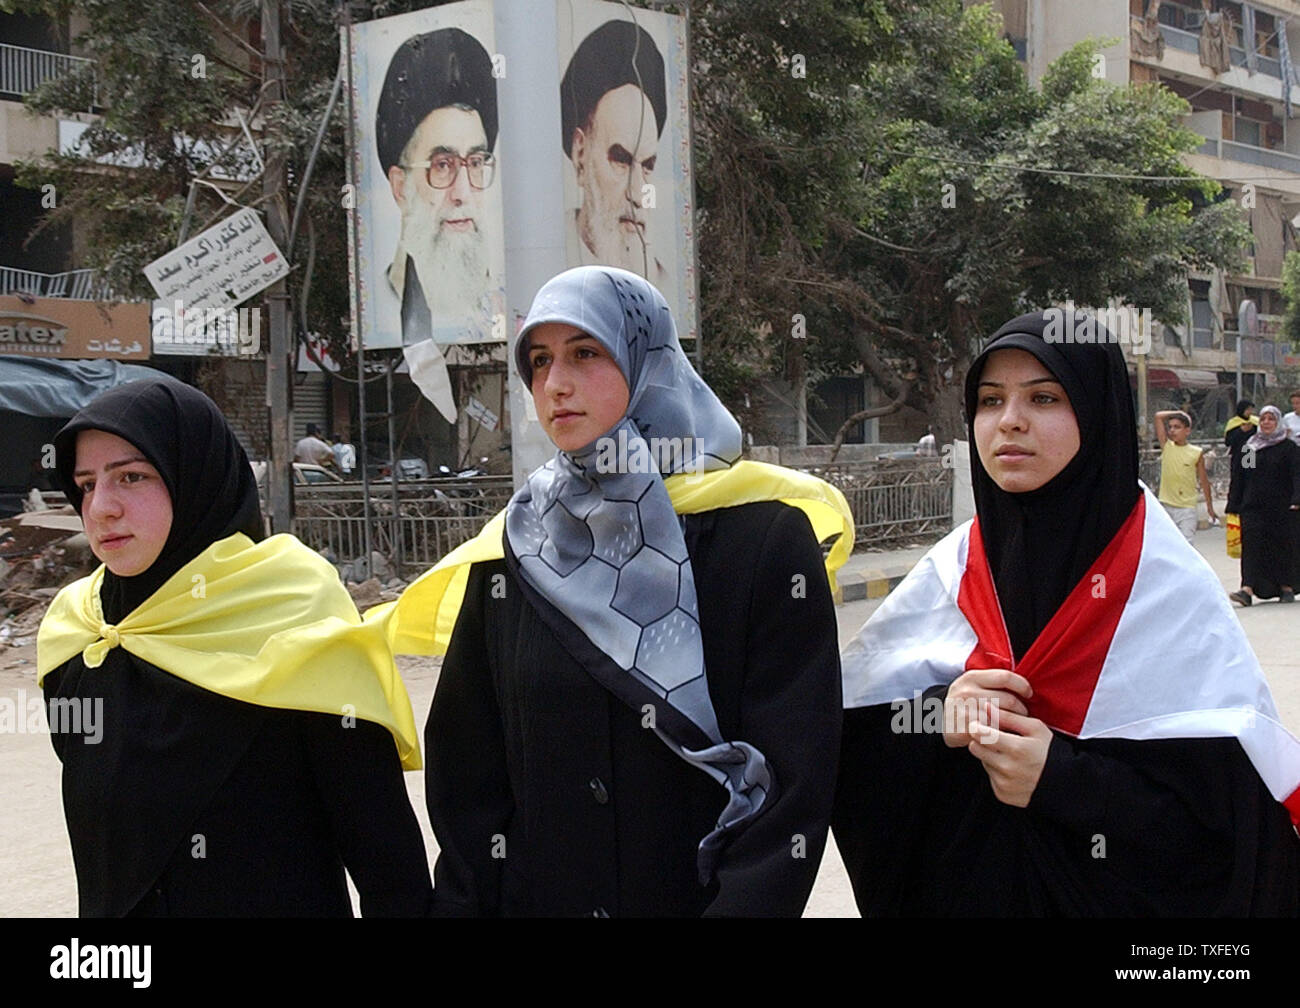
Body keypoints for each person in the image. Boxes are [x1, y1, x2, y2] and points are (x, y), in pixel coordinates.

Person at [370, 266, 854, 916]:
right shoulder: (517, 550)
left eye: (585, 353)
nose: (555, 385)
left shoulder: (759, 539)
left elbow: (792, 783)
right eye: (539, 362)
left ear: (644, 358)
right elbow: (469, 787)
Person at [833, 310, 1300, 916]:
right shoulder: (952, 574)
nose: (1010, 422)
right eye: (990, 400)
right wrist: (937, 717)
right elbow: (848, 749)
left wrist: (1063, 780)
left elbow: (1231, 833)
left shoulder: (1162, 587)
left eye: (1044, 397)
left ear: (1097, 411)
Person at [37, 376, 432, 916]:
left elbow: (388, 865)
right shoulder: (80, 637)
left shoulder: (297, 622)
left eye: (131, 476)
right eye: (85, 485)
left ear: (197, 480)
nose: (101, 507)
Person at [377, 27, 501, 342]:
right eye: (442, 165)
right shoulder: (383, 302)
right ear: (400, 186)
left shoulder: (504, 299)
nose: (462, 194)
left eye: (474, 163)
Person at [560, 20, 669, 287]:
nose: (637, 193)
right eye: (621, 160)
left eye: (647, 166)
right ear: (580, 154)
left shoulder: (664, 283)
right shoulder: (548, 256)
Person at [1227, 404, 1300, 606]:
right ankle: (1247, 589)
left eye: (1271, 419)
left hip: (1282, 508)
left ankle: (1286, 587)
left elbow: (1296, 476)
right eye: (1264, 419)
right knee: (1251, 546)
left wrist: (1297, 499)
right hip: (1253, 506)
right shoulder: (1251, 447)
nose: (1267, 422)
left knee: (1282, 546)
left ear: (1279, 423)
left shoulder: (1289, 448)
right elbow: (1243, 476)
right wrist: (1234, 503)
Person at [1154, 408, 1216, 541]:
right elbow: (1158, 417)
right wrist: (1178, 413)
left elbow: (1204, 481)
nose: (1172, 430)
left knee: (1186, 545)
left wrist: (1209, 507)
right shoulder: (1167, 446)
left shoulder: (1196, 452)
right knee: (1168, 545)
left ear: (1187, 431)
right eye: (1170, 427)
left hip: (1187, 508)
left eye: (1177, 427)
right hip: (1166, 505)